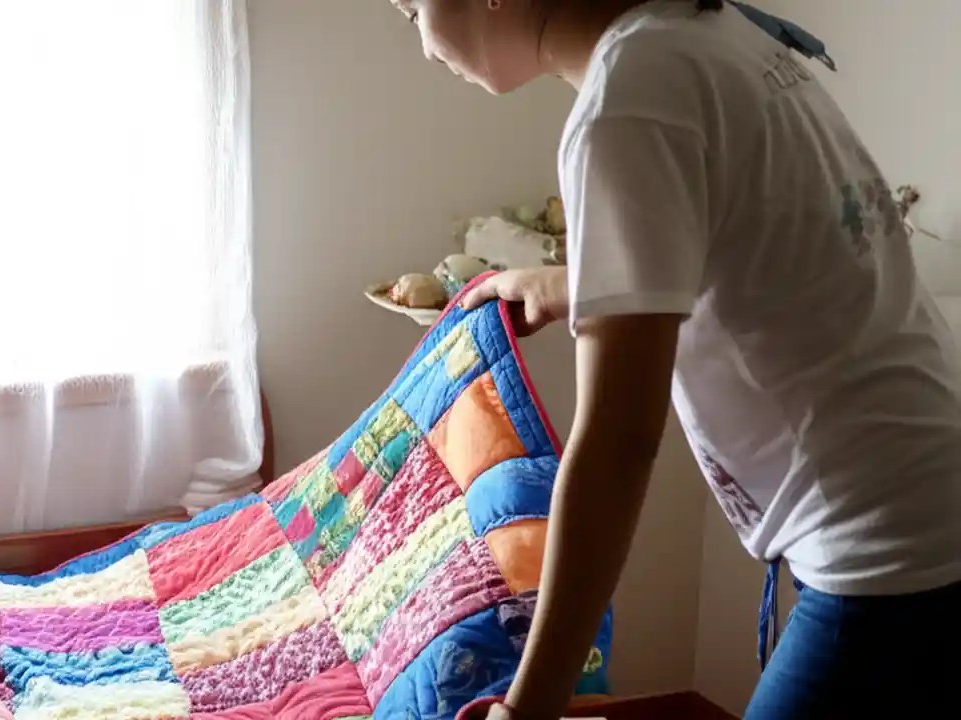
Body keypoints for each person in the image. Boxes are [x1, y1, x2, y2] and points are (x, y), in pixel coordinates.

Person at [385, 1, 961, 718]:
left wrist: (528, 705)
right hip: (928, 495)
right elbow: (747, 246)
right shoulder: (710, 39)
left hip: (883, 552)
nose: (422, 44)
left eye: (411, 9)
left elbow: (619, 444)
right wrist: (571, 285)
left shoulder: (625, 105)